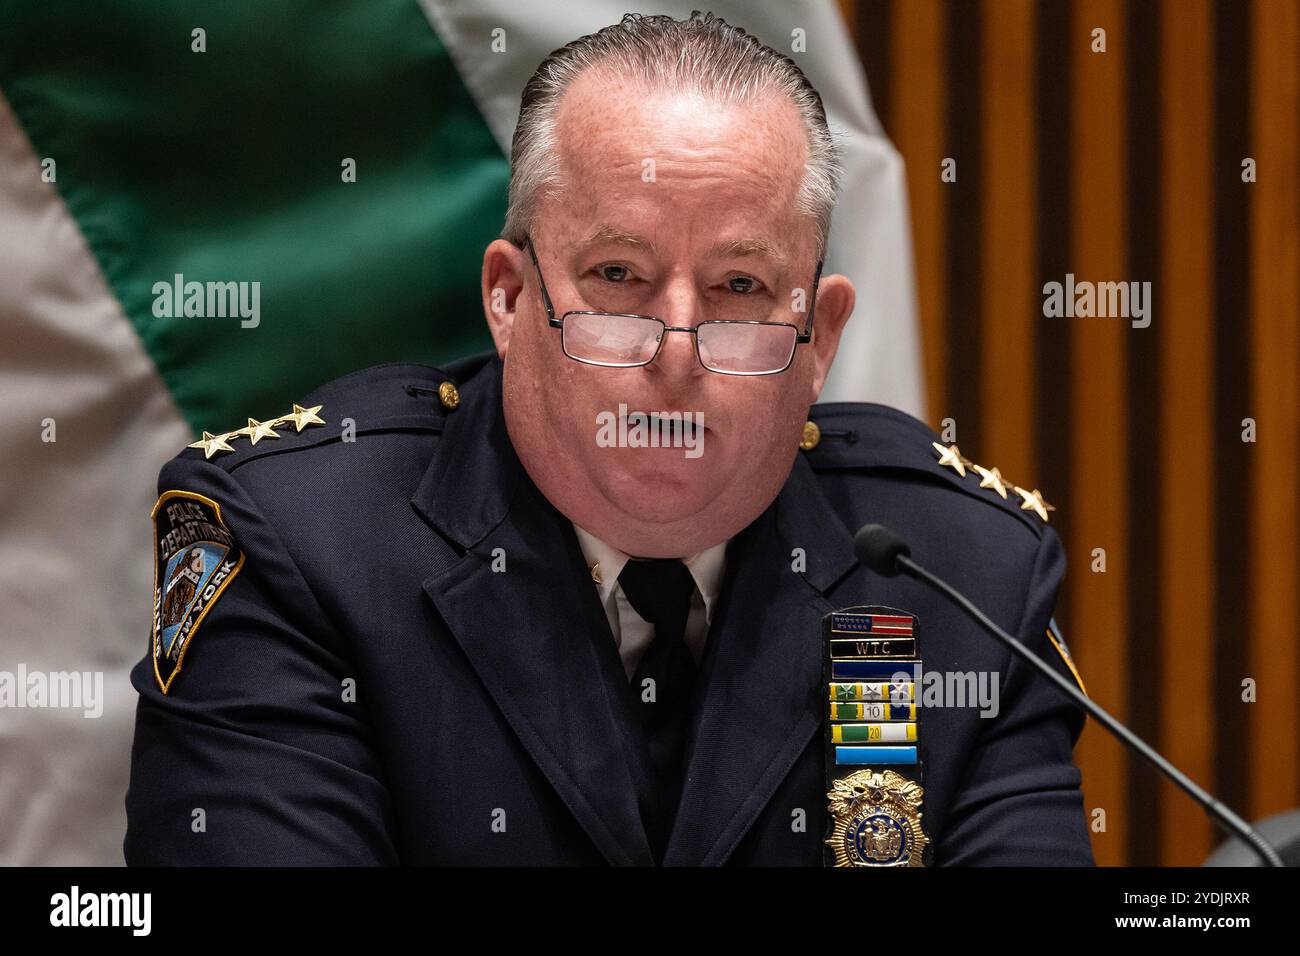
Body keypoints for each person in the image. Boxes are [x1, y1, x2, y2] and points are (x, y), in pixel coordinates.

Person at [124, 12, 1092, 866]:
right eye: (619, 275)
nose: (676, 351)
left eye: (739, 288)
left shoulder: (965, 574)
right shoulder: (302, 546)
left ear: (820, 336)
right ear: (508, 297)